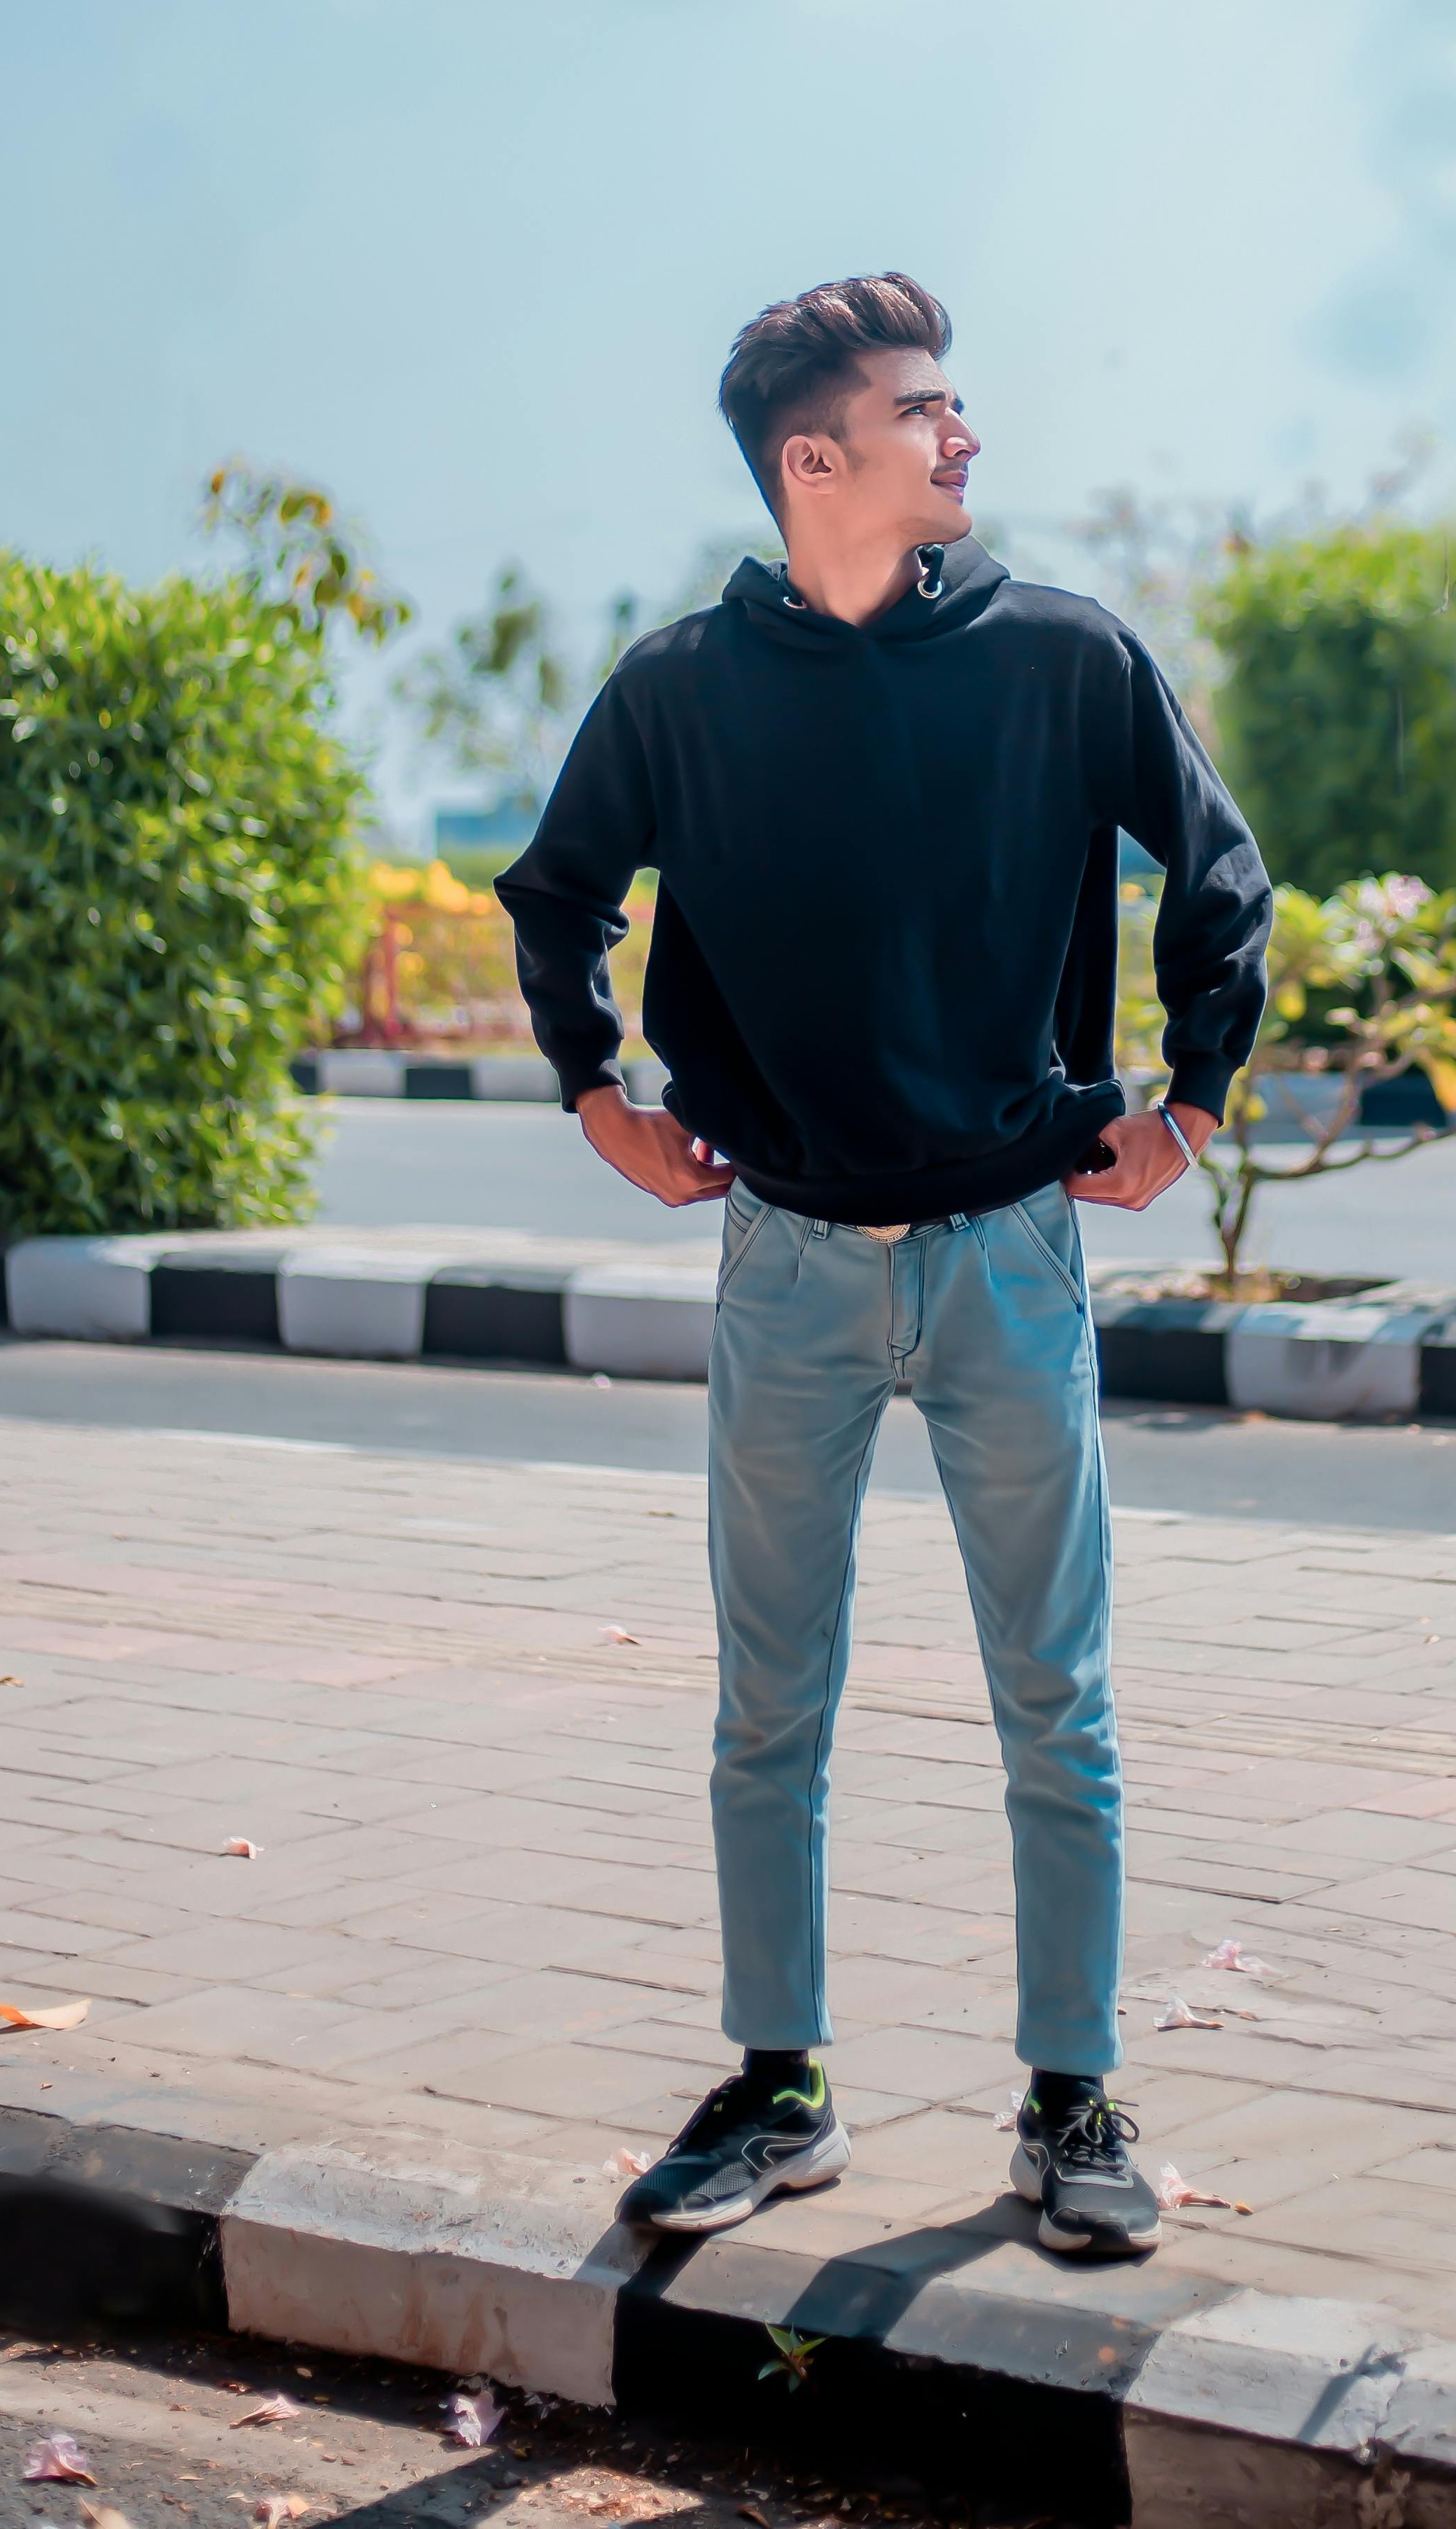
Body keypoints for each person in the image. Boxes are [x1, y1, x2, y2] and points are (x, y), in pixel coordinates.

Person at [497, 274, 1271, 2262]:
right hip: (786, 1262)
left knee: (1056, 1700)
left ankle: (1071, 2098)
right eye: (930, 407)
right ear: (812, 459)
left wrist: (1186, 1108)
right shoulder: (681, 690)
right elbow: (560, 893)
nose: (968, 434)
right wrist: (602, 1096)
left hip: (1013, 1253)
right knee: (773, 1704)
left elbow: (1223, 872)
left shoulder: (1062, 659)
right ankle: (783, 2089)